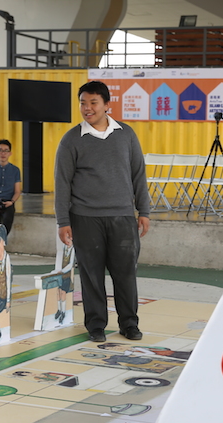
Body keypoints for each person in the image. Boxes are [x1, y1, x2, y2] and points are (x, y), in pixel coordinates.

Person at [55, 80, 151, 343]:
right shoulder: (72, 139)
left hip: (122, 217)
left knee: (125, 274)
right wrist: (63, 220)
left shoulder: (127, 135)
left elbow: (138, 175)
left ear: (107, 105)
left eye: (93, 103)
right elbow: (61, 182)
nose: (87, 108)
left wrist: (144, 210)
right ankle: (96, 325)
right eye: (83, 103)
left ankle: (129, 323)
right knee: (92, 275)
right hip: (85, 218)